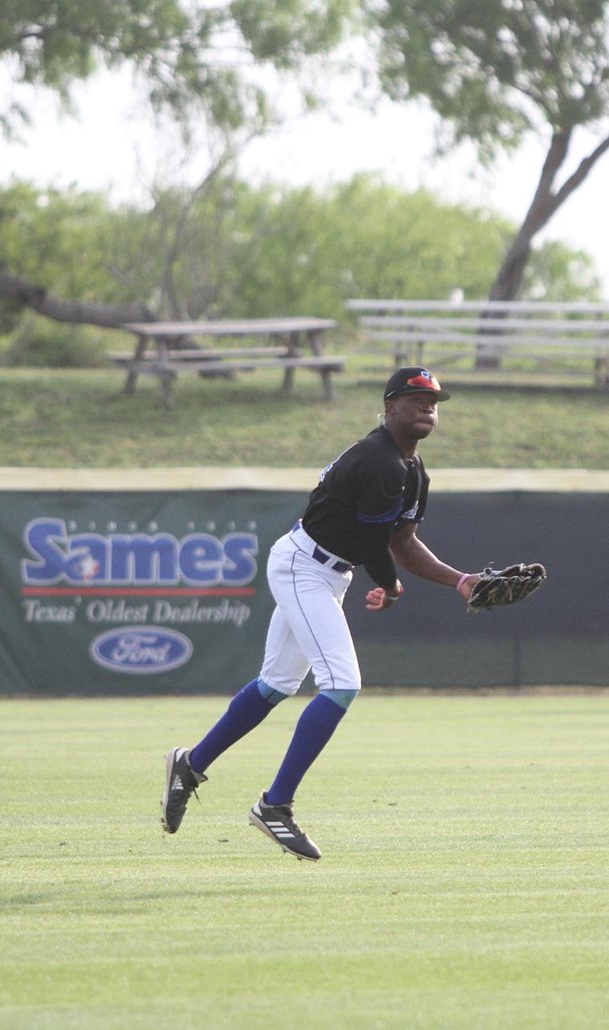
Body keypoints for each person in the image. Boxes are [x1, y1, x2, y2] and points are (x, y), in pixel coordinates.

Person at [160, 366, 484, 861]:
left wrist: (459, 580)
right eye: (415, 398)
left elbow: (402, 542)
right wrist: (390, 586)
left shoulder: (412, 470)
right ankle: (275, 805)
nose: (427, 407)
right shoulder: (380, 461)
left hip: (327, 572)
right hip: (305, 567)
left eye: (434, 401)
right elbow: (376, 546)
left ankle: (190, 765)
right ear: (390, 406)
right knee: (342, 683)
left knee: (276, 683)